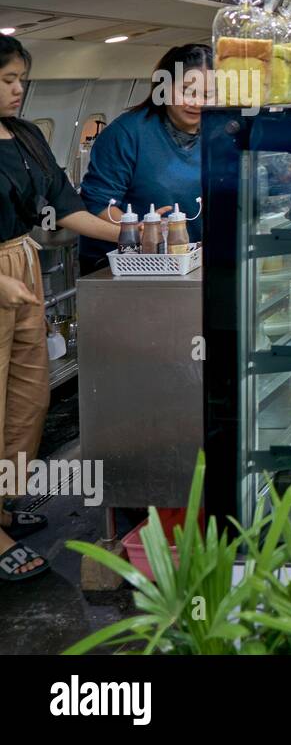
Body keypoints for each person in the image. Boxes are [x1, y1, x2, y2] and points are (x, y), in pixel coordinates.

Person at [0, 37, 121, 581]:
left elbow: (64, 205)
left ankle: (4, 502)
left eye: (21, 78)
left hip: (20, 266)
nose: (18, 89)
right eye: (6, 80)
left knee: (29, 400)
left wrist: (126, 233)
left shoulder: (24, 136)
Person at [78, 44, 212, 275]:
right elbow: (97, 204)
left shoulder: (219, 133)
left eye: (208, 94)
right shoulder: (127, 133)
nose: (197, 102)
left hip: (189, 262)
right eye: (187, 91)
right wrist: (142, 232)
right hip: (126, 266)